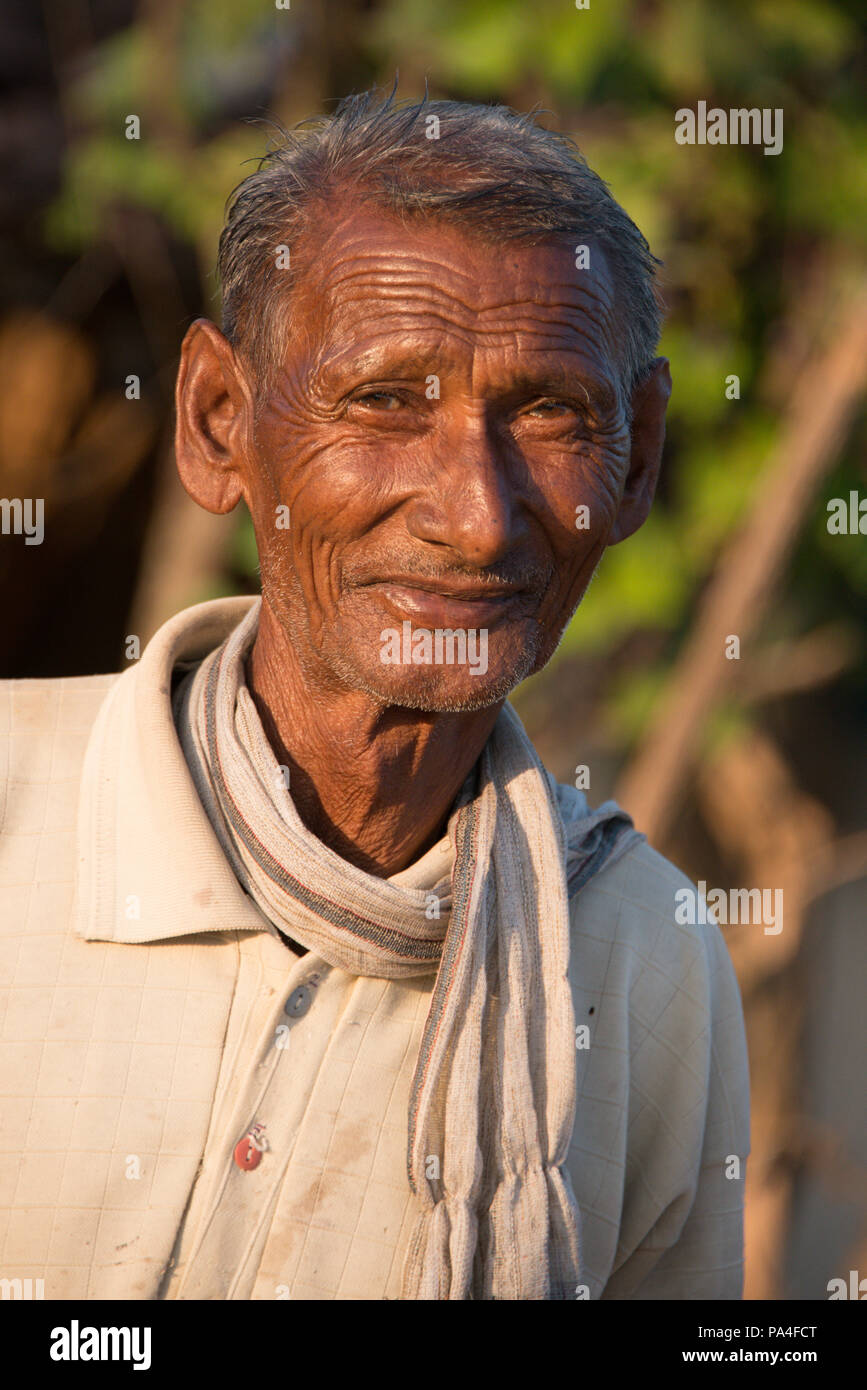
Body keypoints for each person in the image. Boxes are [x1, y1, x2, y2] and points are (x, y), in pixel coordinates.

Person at [0, 89, 749, 1301]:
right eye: (387, 400)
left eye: (552, 412)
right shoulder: (14, 800)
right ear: (216, 423)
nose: (475, 514)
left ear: (640, 458)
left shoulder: (639, 958)